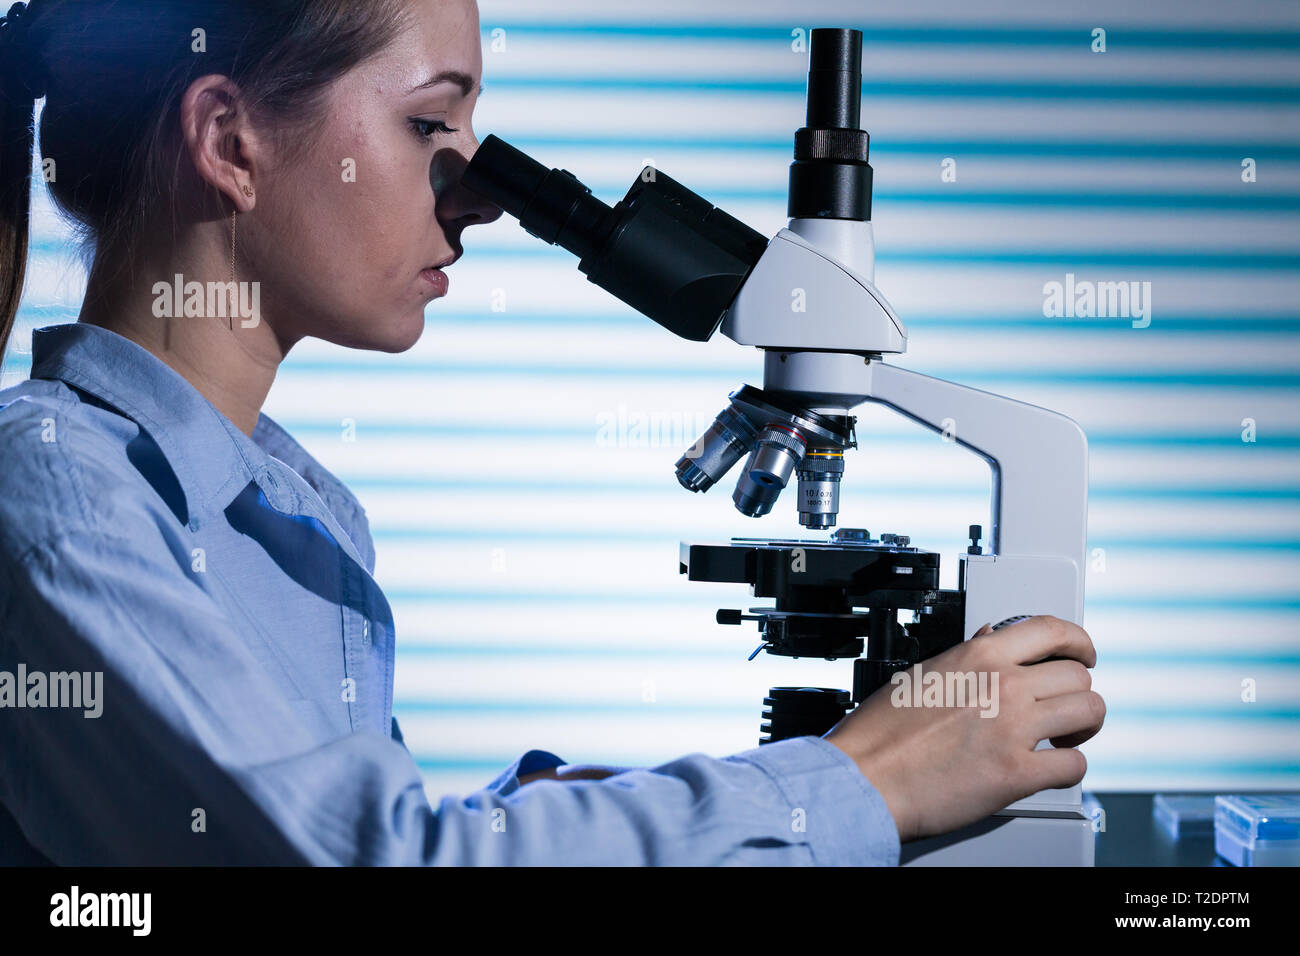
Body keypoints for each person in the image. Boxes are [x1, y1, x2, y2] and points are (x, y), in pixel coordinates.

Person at [0, 0, 1105, 865]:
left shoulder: (283, 511)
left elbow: (312, 823)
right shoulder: (60, 501)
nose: (477, 192)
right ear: (230, 141)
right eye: (428, 123)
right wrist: (867, 779)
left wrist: (551, 819)